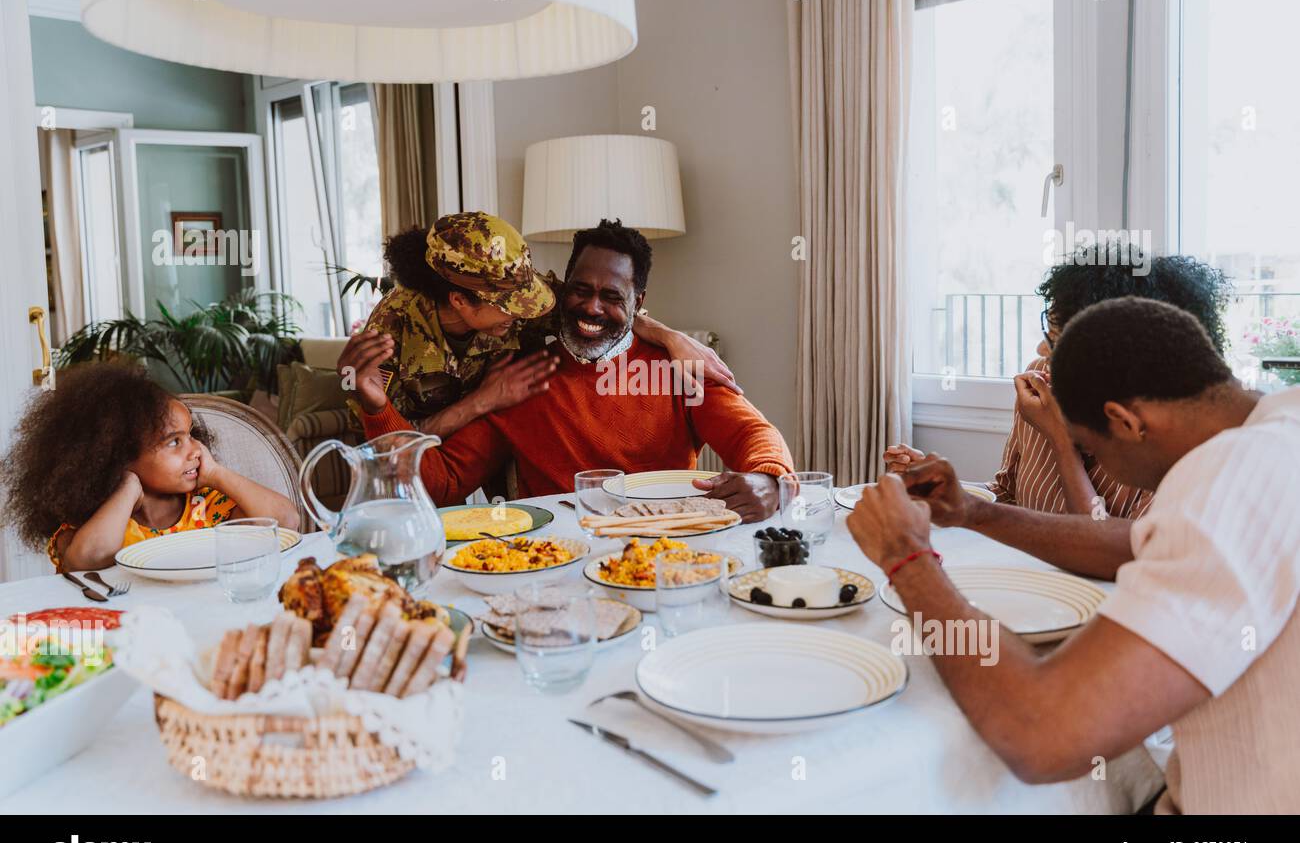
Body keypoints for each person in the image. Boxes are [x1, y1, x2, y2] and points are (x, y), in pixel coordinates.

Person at [849, 298, 1299, 813]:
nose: (1101, 463)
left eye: (1093, 447)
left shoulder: (1229, 482)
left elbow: (1041, 734)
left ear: (1126, 422)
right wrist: (975, 511)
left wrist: (907, 559)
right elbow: (1134, 541)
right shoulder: (1276, 425)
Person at [346, 219, 794, 520]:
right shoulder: (519, 378)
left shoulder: (676, 368)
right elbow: (443, 484)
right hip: (560, 556)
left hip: (670, 542)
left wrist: (768, 478)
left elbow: (752, 434)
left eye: (613, 297)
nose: (591, 308)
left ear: (638, 303)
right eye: (579, 290)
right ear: (563, 290)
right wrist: (375, 406)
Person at [883, 250, 1232, 579]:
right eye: (1046, 335)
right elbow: (1006, 494)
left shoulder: (1167, 435)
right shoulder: (1040, 382)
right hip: (1021, 582)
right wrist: (946, 490)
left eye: (1056, 341)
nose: (1040, 351)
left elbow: (1116, 556)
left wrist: (1062, 441)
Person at [339, 212, 739, 441]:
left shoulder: (524, 293)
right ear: (460, 301)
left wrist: (674, 339)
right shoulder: (387, 336)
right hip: (409, 463)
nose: (525, 312)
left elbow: (605, 310)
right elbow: (387, 448)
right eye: (509, 307)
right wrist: (482, 401)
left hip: (490, 441)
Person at [0, 362, 300, 573]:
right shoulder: (99, 522)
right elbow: (86, 560)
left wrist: (218, 474)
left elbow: (285, 520)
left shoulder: (207, 508)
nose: (195, 448)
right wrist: (127, 491)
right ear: (118, 456)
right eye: (173, 442)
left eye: (190, 435)